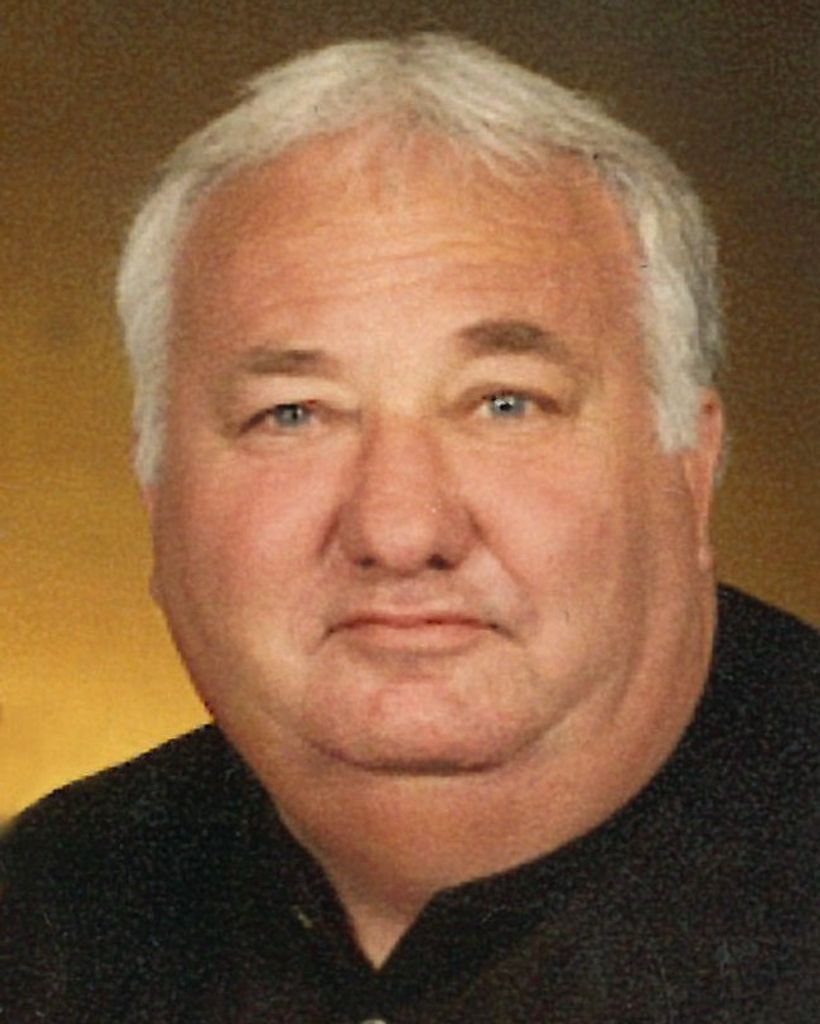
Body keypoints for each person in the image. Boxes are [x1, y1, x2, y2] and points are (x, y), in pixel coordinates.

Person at [1, 33, 816, 1023]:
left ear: (689, 470)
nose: (398, 530)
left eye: (505, 404)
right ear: (155, 496)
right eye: (292, 414)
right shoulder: (47, 908)